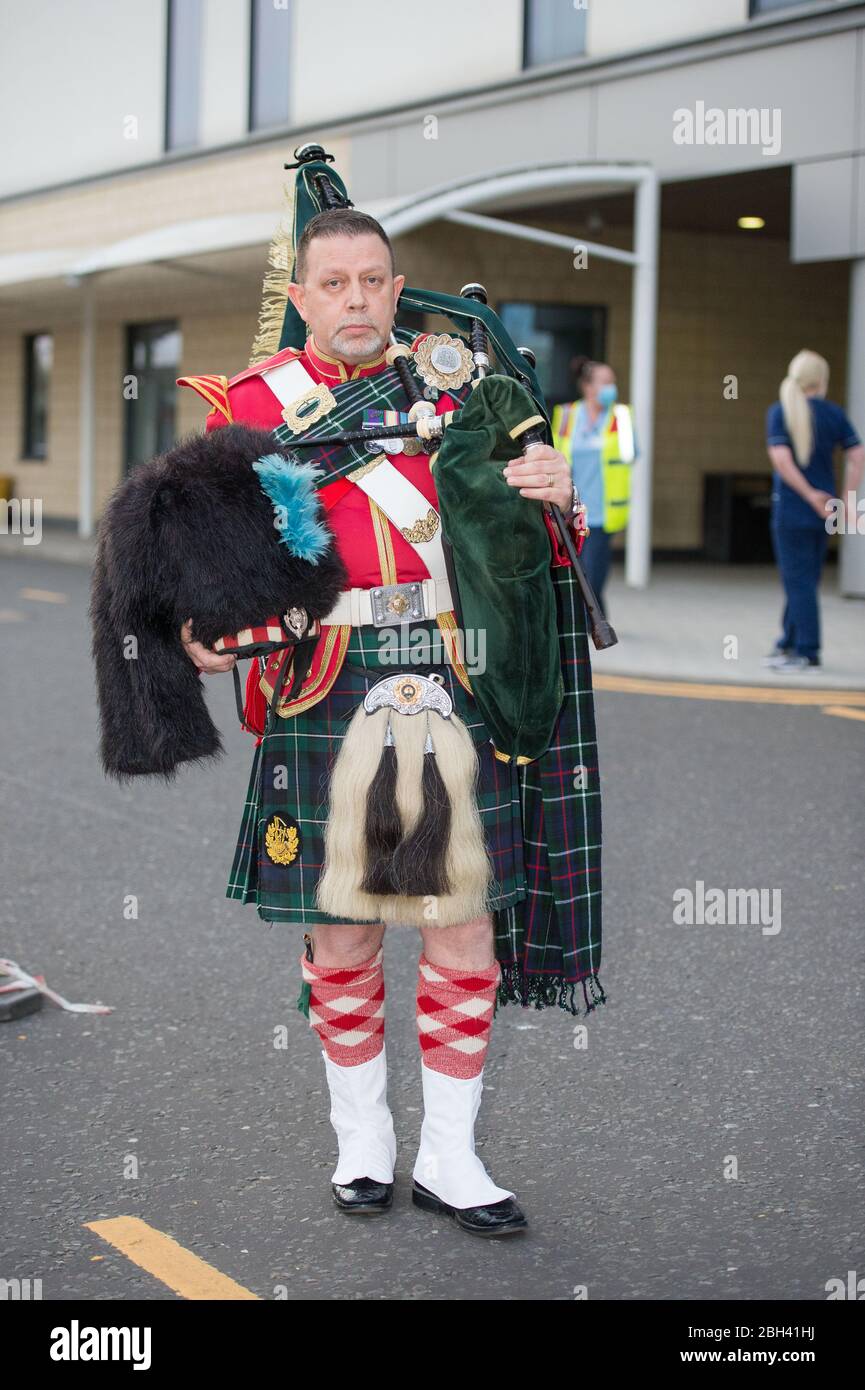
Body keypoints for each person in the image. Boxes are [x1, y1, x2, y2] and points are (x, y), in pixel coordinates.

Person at [174, 181, 606, 1237]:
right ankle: (361, 1138)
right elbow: (197, 578)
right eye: (335, 283)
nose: (356, 298)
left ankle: (452, 1156)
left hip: (454, 669)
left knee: (461, 927)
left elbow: (531, 554)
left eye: (374, 280)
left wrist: (558, 497)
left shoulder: (463, 384)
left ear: (398, 291)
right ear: (305, 297)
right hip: (326, 676)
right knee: (338, 932)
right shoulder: (254, 407)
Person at [763, 349, 864, 672]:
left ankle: (807, 651)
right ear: (821, 380)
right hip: (827, 512)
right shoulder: (833, 413)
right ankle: (788, 642)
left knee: (798, 582)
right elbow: (857, 455)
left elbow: (781, 460)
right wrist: (847, 499)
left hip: (793, 511)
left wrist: (808, 495)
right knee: (806, 580)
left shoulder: (780, 412)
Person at [551, 356, 636, 619]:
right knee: (576, 569)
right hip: (571, 508)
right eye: (606, 382)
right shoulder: (566, 415)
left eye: (613, 382)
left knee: (592, 571)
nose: (612, 387)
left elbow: (630, 453)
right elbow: (556, 455)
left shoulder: (621, 416)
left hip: (602, 510)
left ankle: (593, 619)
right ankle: (595, 619)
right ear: (588, 387)